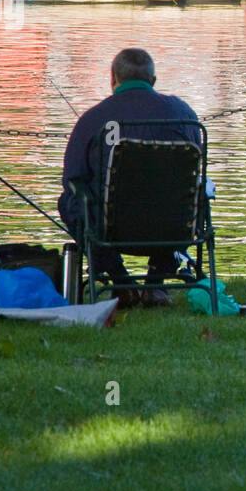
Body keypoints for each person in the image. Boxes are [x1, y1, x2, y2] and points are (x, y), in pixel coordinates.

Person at [58, 48, 205, 307]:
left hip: (111, 228)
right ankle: (155, 284)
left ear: (112, 79)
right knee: (191, 193)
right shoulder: (185, 114)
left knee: (71, 200)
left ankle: (120, 280)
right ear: (153, 81)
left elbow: (73, 177)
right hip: (173, 228)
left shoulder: (93, 119)